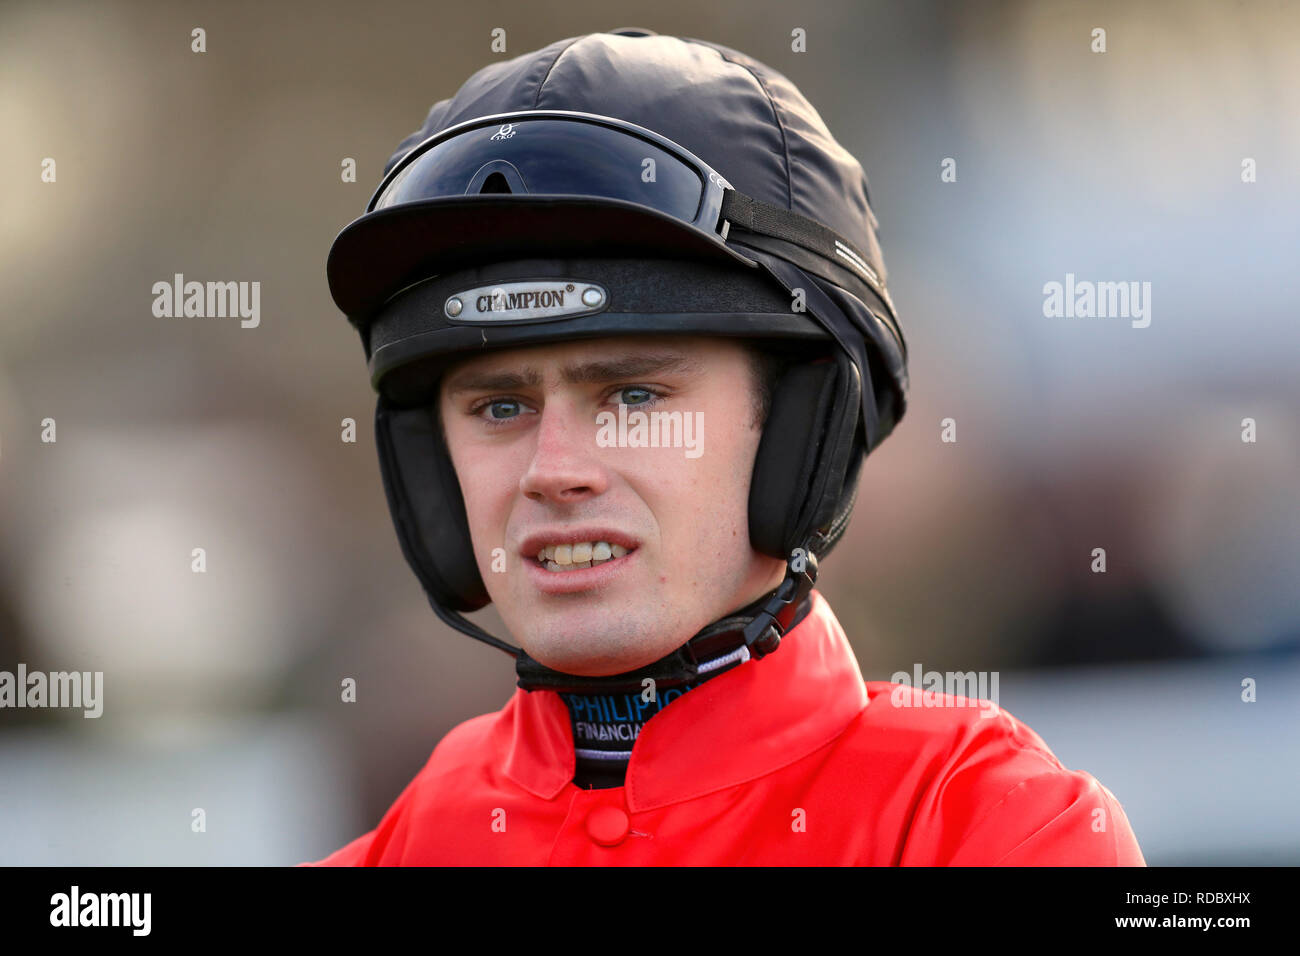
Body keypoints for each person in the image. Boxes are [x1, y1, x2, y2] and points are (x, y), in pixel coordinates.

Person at [302, 28, 1145, 865]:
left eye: (633, 395)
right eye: (498, 408)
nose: (554, 470)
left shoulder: (990, 829)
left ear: (800, 432)